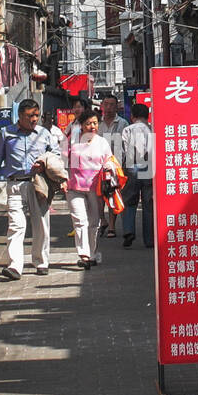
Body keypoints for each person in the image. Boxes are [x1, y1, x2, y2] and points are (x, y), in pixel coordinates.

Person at [0, 99, 56, 279]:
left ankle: (41, 261)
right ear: (20, 116)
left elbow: (55, 155)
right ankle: (15, 266)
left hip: (38, 183)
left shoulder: (44, 134)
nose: (34, 119)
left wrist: (45, 164)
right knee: (16, 225)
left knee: (41, 223)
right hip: (15, 183)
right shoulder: (6, 133)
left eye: (36, 115)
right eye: (29, 116)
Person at [65, 110, 110, 268]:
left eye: (95, 123)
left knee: (94, 223)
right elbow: (62, 160)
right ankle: (84, 255)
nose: (92, 126)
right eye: (88, 123)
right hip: (74, 187)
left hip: (95, 189)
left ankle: (92, 253)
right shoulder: (72, 141)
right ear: (81, 125)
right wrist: (63, 179)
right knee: (80, 221)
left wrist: (109, 169)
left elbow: (109, 160)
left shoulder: (102, 142)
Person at [120, 102, 154, 248]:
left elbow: (123, 150)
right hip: (150, 168)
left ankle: (129, 231)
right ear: (147, 116)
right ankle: (150, 239)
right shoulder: (152, 128)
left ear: (132, 116)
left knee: (129, 201)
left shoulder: (127, 130)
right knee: (149, 204)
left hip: (132, 167)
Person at [96, 93, 128, 238]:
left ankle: (112, 227)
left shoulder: (123, 124)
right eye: (106, 104)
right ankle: (102, 220)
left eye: (111, 105)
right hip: (97, 165)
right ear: (102, 106)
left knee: (112, 193)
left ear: (117, 107)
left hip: (116, 165)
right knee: (98, 195)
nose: (108, 108)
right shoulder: (97, 123)